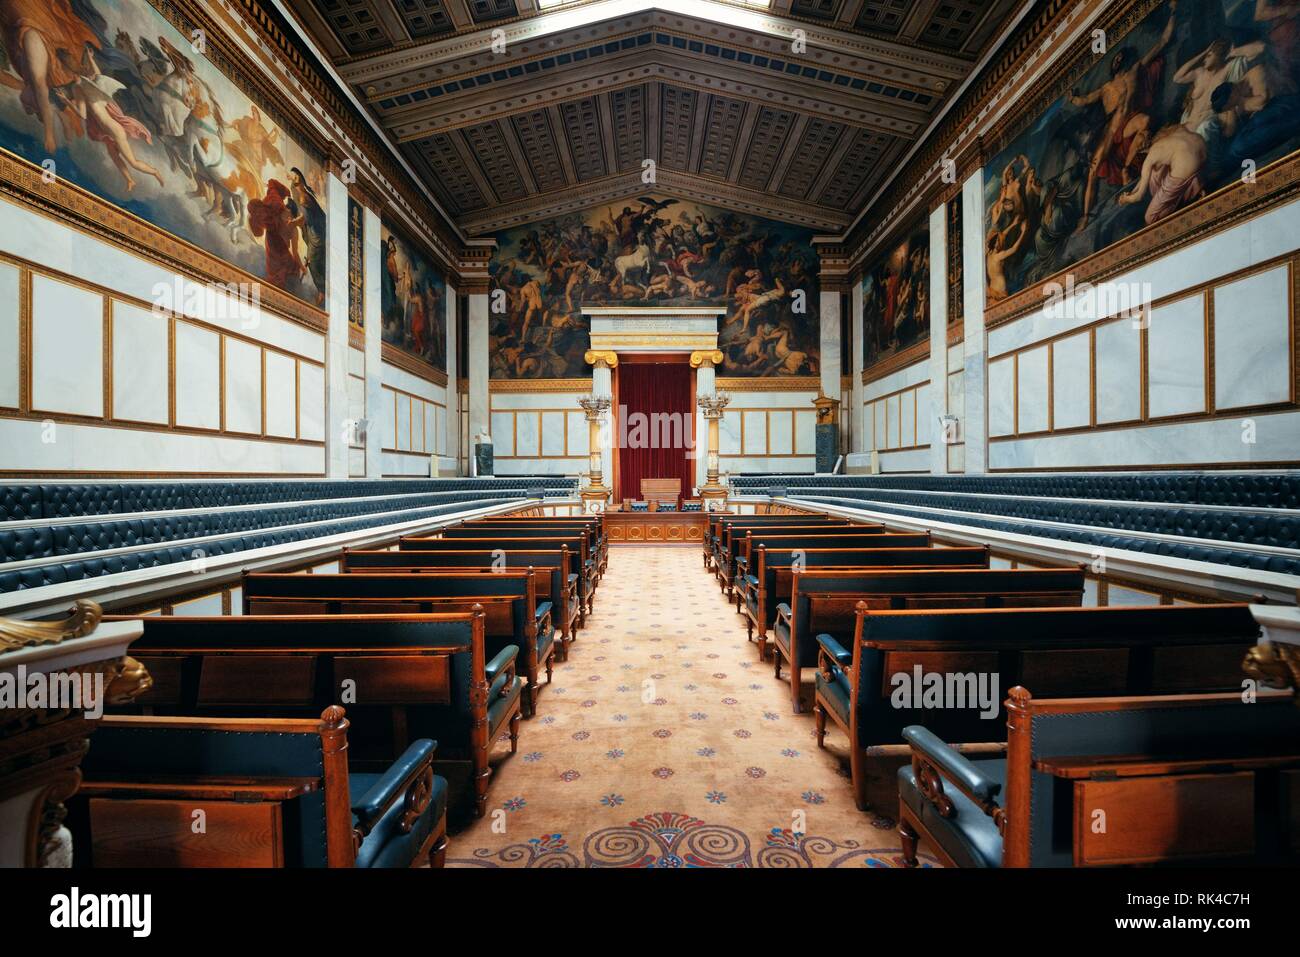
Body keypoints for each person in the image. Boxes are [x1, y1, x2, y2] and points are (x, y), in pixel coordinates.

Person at [1070, 1, 1178, 231]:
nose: (1117, 60)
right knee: (1093, 168)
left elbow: (1162, 42)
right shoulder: (1106, 88)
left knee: (1146, 123)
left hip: (1130, 119)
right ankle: (1085, 217)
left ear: (1125, 58)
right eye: (1114, 59)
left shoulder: (1136, 71)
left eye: (1120, 57)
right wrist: (1072, 98)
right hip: (1111, 128)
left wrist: (1173, 12)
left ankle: (1126, 168)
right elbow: (1085, 100)